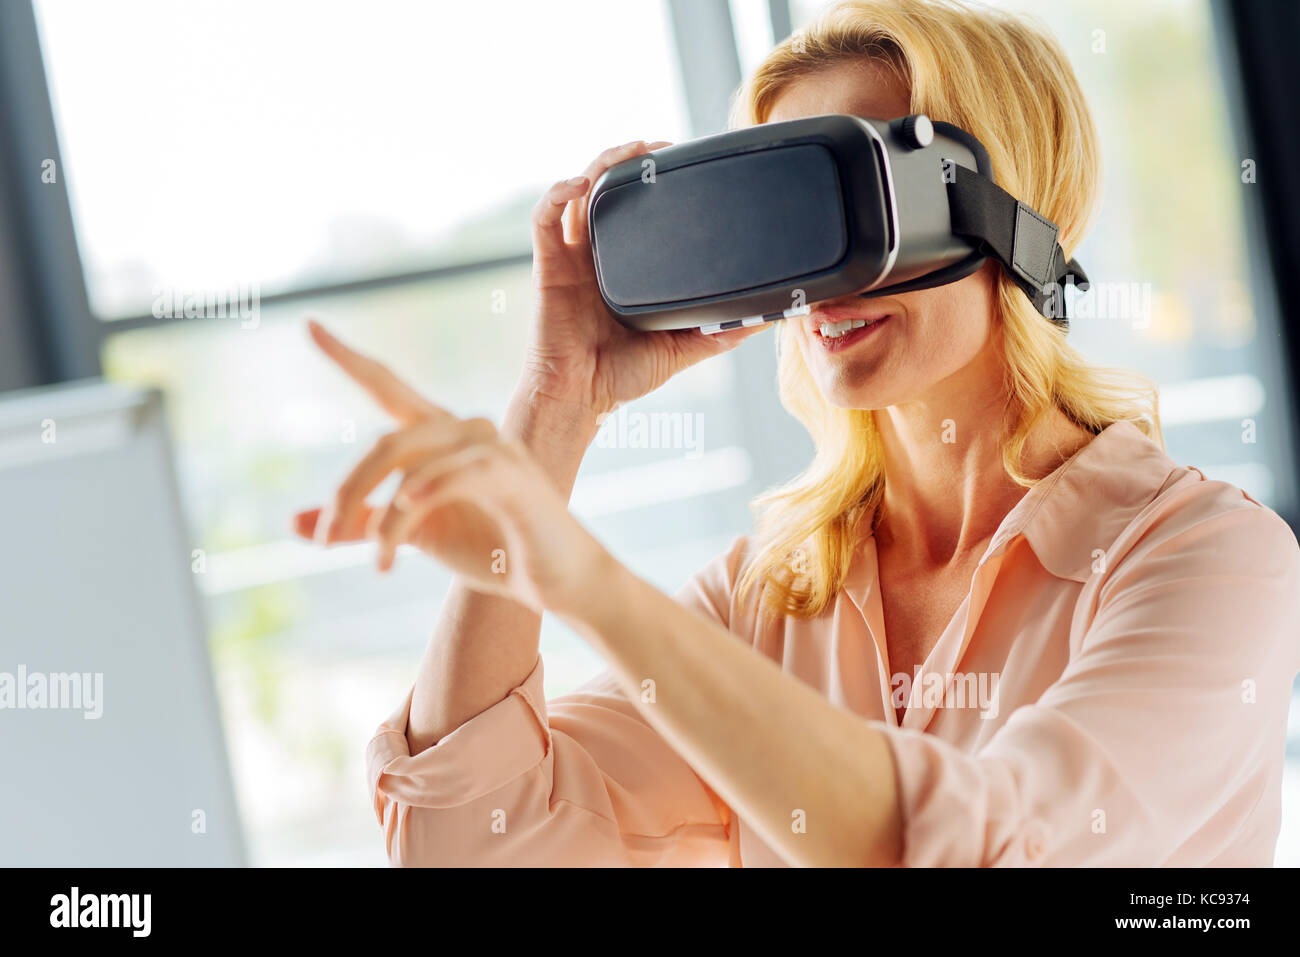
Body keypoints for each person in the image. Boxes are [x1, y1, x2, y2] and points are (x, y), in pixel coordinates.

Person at [294, 0, 1300, 866]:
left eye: (853, 203)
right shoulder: (764, 598)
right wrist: (558, 407)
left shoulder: (1208, 559)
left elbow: (987, 845)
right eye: (781, 220)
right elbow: (469, 843)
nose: (815, 282)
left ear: (1008, 216)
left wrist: (588, 585)